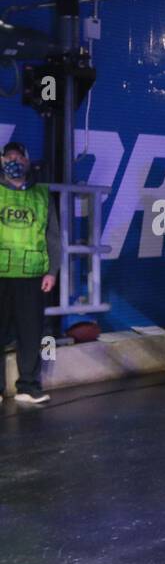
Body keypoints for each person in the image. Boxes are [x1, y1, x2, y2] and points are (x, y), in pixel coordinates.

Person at [0, 141, 59, 405]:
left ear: (27, 161)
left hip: (32, 276)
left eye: (18, 157)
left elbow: (53, 238)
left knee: (31, 334)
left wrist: (52, 271)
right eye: (8, 157)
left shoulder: (42, 195)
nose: (13, 161)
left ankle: (28, 386)